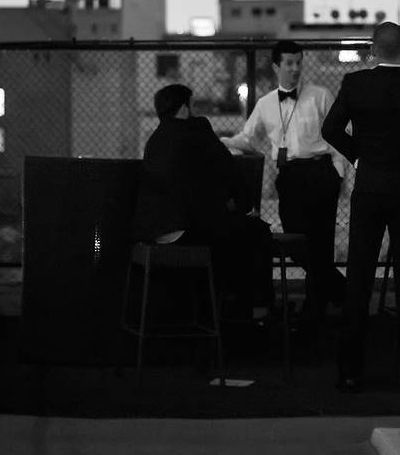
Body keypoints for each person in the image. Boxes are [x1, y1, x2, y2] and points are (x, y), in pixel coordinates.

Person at [321, 22, 400, 392]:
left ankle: (349, 370)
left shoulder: (355, 84)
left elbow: (330, 129)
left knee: (359, 277)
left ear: (373, 49)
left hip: (370, 186)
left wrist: (359, 158)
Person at [222, 40, 346, 328]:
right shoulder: (265, 104)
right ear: (276, 66)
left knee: (322, 242)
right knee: (296, 242)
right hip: (289, 176)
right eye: (289, 63)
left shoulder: (320, 96)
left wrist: (338, 172)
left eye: (299, 62)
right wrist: (220, 143)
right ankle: (344, 294)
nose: (295, 68)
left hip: (320, 172)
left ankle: (316, 308)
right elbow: (248, 138)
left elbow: (339, 135)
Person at [132, 84, 273, 318]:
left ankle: (212, 315)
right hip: (187, 232)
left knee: (228, 236)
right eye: (193, 104)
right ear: (185, 108)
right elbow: (228, 171)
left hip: (153, 236)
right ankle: (252, 315)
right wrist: (244, 206)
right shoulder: (197, 128)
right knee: (256, 232)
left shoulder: (155, 140)